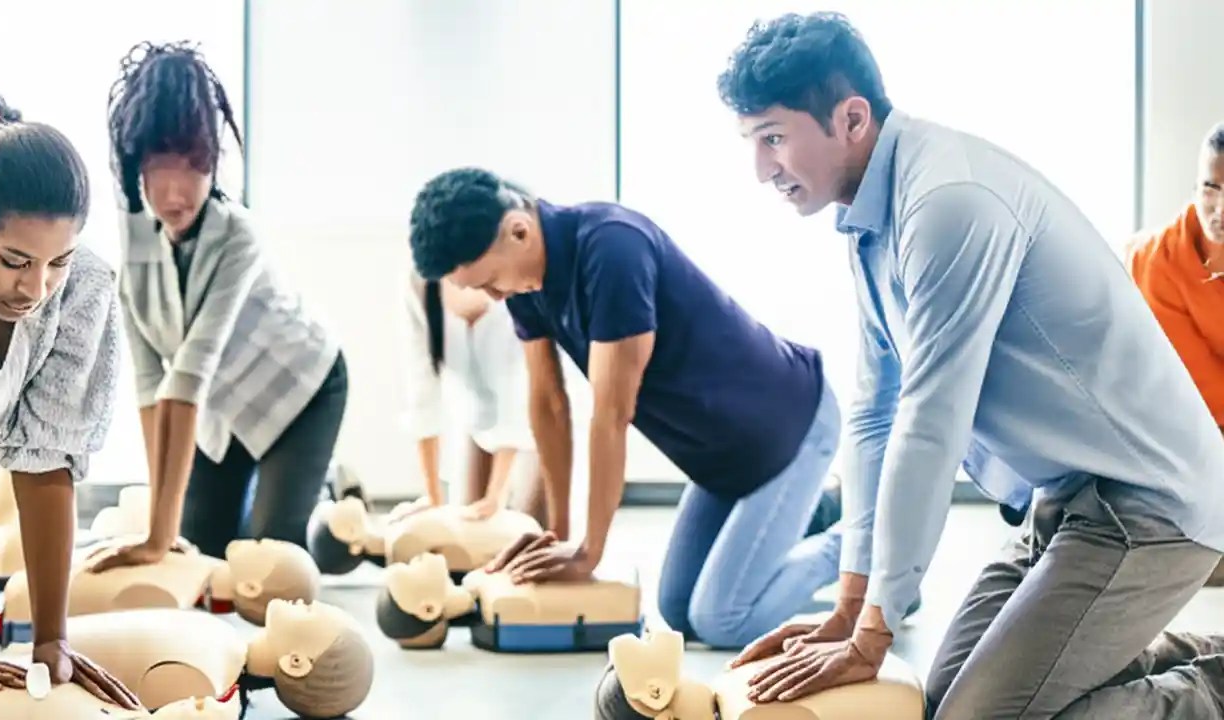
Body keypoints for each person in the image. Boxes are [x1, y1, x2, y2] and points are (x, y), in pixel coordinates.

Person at [717, 12, 1224, 719]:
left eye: (773, 138)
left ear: (852, 119)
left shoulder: (946, 203)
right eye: (752, 142)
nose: (762, 168)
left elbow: (931, 425)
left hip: (1153, 509)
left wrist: (872, 635)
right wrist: (852, 605)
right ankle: (1161, 652)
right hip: (1072, 505)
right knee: (939, 701)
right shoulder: (872, 221)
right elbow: (874, 413)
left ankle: (1212, 688)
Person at [407, 168, 846, 649]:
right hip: (722, 460)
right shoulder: (526, 283)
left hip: (787, 430)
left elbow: (610, 414)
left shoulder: (613, 247)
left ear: (519, 230)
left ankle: (855, 543)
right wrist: (557, 532)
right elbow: (549, 405)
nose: (493, 296)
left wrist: (589, 552)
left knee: (724, 620)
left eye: (490, 281)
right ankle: (817, 508)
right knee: (680, 613)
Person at [88, 41, 347, 570]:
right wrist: (160, 531)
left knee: (270, 560)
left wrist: (156, 537)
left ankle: (337, 523)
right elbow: (149, 382)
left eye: (194, 164)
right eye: (160, 164)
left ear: (213, 161)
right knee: (200, 555)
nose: (177, 190)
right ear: (138, 163)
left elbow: (187, 378)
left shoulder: (239, 235)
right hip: (223, 415)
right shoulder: (135, 235)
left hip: (299, 392)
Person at [0, 85, 140, 708]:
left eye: (57, 260)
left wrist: (51, 641)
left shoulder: (81, 288)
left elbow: (46, 458)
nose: (37, 286)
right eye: (14, 260)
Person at [1126, 122, 1224, 588]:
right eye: (1211, 188)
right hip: (1182, 417)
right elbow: (1201, 396)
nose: (1219, 209)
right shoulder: (1159, 261)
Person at [391, 269, 546, 525]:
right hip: (478, 421)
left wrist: (496, 496)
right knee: (464, 526)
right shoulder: (418, 281)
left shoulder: (511, 278)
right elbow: (422, 395)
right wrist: (433, 497)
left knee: (532, 528)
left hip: (542, 417)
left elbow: (518, 396)